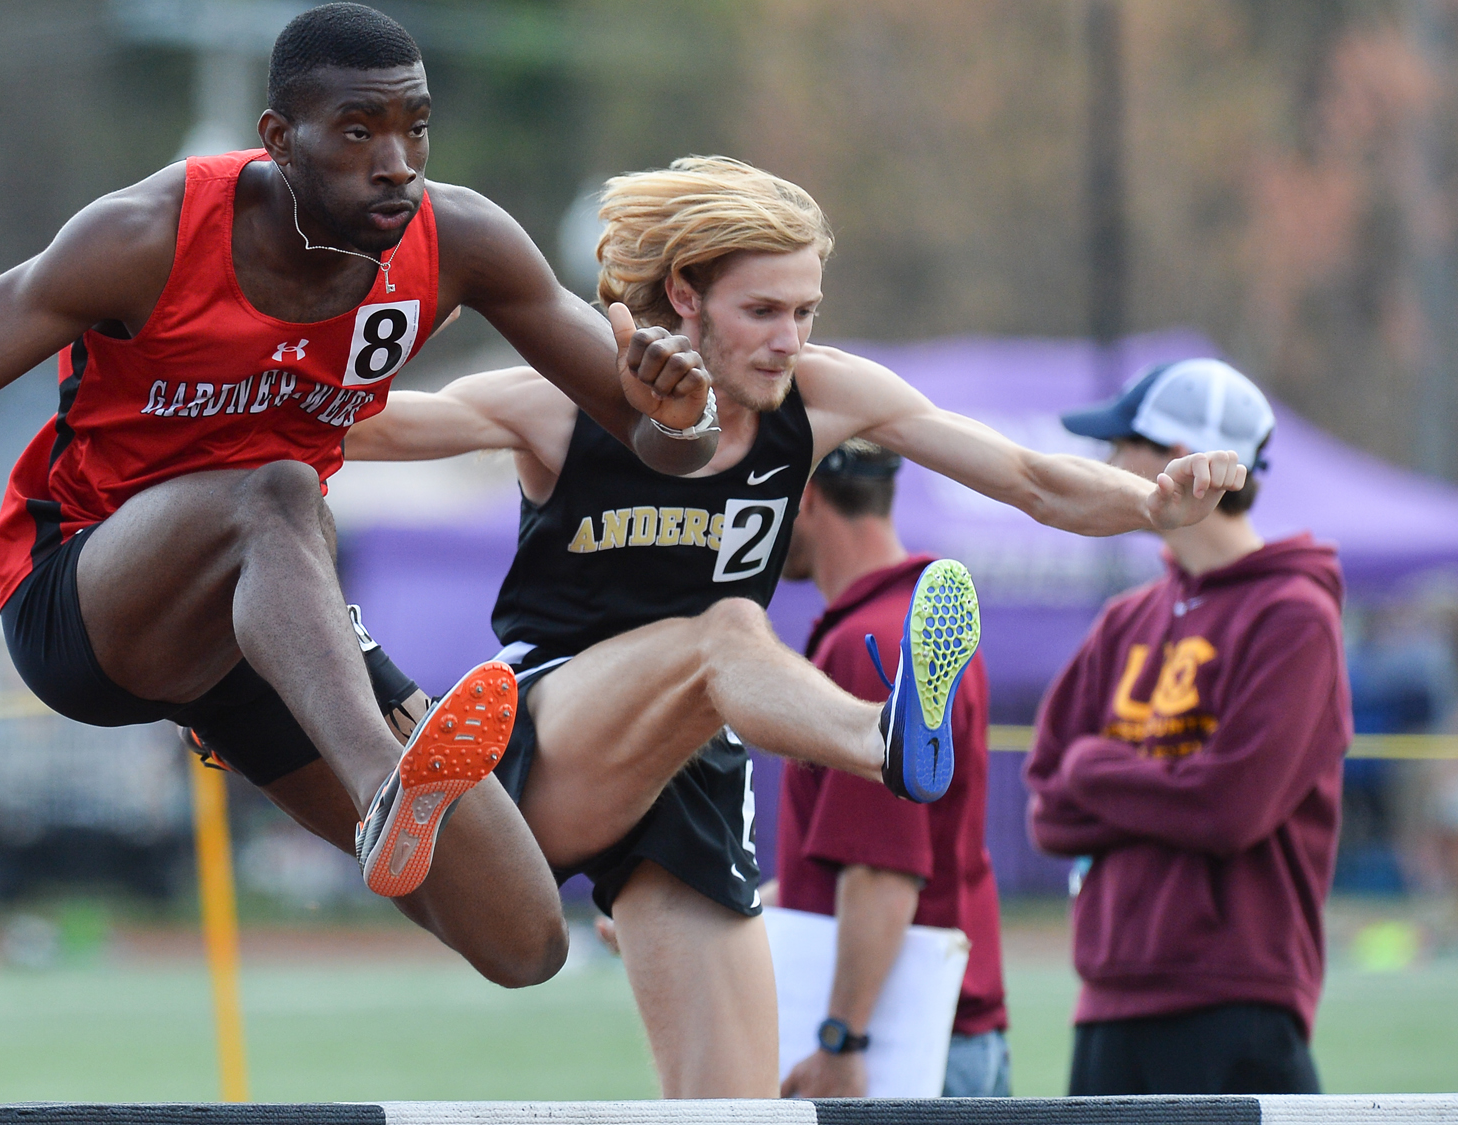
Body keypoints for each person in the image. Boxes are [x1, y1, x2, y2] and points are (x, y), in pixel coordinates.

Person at [0, 3, 732, 988]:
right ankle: (386, 781)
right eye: (356, 132)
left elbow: (659, 445)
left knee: (522, 942)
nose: (396, 162)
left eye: (414, 127)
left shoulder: (458, 242)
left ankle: (376, 778)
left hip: (265, 626)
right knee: (279, 488)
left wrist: (678, 411)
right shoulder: (141, 238)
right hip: (85, 590)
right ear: (277, 140)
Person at [341, 156, 1245, 1096]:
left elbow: (1031, 478)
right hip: (551, 729)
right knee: (725, 627)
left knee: (736, 1107)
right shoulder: (567, 402)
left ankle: (884, 737)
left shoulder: (820, 398)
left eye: (806, 310)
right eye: (763, 311)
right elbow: (361, 428)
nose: (790, 338)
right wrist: (326, 344)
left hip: (692, 769)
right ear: (684, 295)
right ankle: (885, 736)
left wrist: (1155, 506)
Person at [1024, 358, 1350, 1095]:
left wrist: (1096, 770)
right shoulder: (1127, 618)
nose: (1105, 466)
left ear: (1178, 461)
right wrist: (1147, 787)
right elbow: (1047, 805)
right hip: (1107, 997)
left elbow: (1229, 807)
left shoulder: (1293, 615)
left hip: (1236, 998)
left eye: (1121, 446)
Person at [773, 441, 1007, 1099]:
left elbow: (881, 868)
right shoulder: (911, 617)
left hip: (899, 1043)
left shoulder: (867, 640)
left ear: (809, 495)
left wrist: (841, 1039)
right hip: (953, 1031)